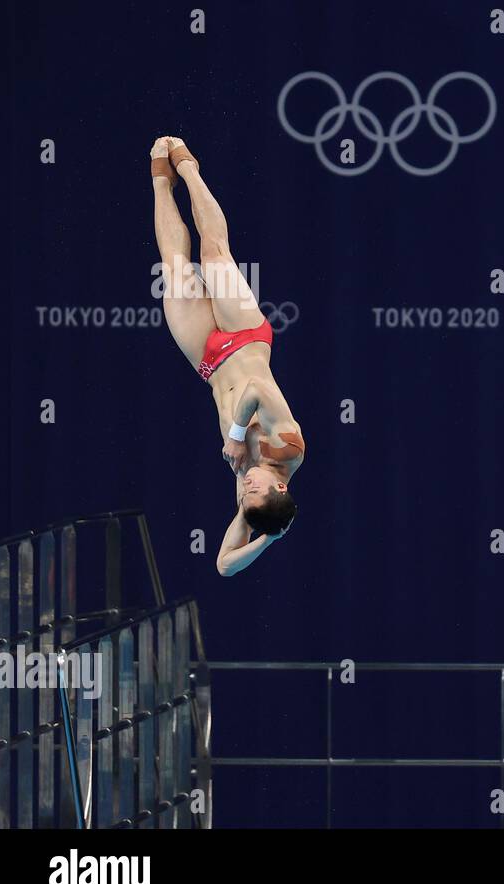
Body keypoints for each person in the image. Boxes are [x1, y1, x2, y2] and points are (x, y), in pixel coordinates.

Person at [150, 136, 304, 576]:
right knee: (213, 251)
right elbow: (256, 388)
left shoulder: (253, 498)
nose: (246, 488)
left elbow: (224, 566)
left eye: (246, 497)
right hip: (246, 337)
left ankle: (160, 181)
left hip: (209, 362)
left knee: (174, 267)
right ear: (279, 485)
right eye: (255, 491)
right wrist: (236, 435)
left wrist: (269, 536)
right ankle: (189, 168)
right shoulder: (288, 447)